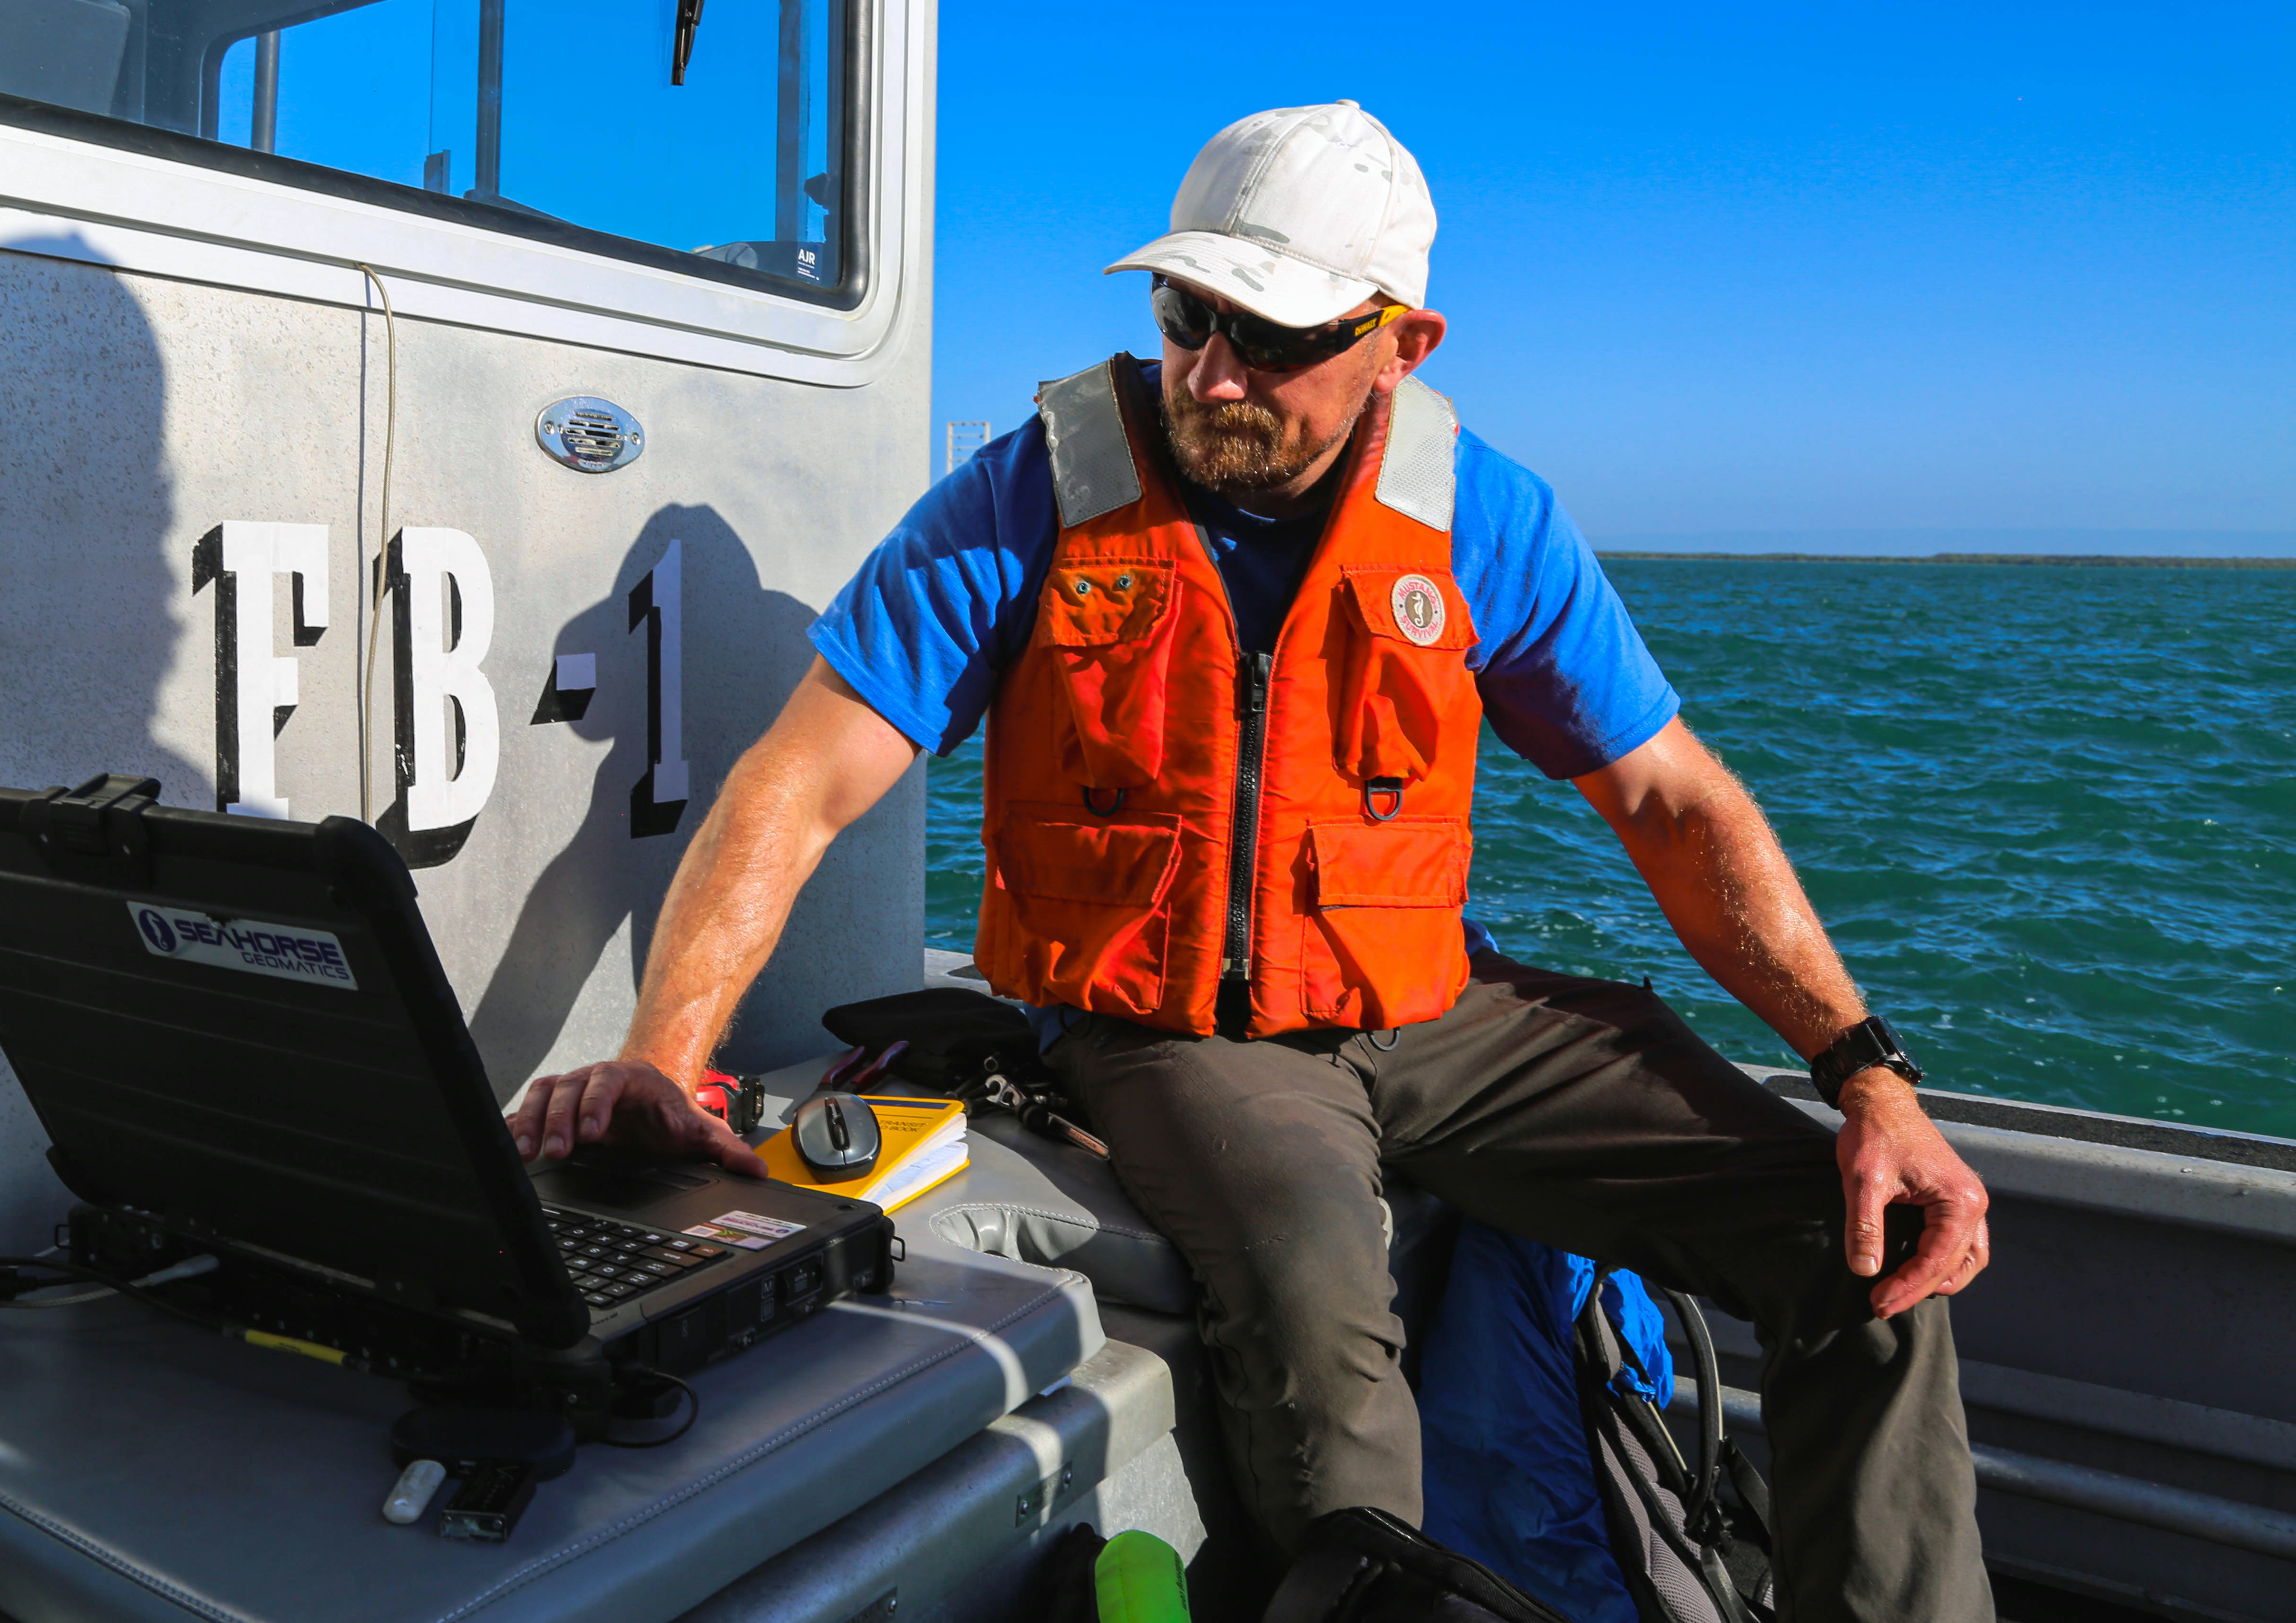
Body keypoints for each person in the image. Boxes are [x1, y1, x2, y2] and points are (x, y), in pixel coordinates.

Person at [508, 102, 1995, 1620]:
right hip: (1181, 1033)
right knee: (1312, 1308)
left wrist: (1869, 1080)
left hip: (1435, 1012)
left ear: (1399, 347)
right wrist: (665, 1059)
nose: (1213, 374)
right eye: (1186, 316)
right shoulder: (1033, 496)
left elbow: (1676, 806)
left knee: (1857, 1242)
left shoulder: (1485, 518)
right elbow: (800, 779)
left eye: (1272, 340)